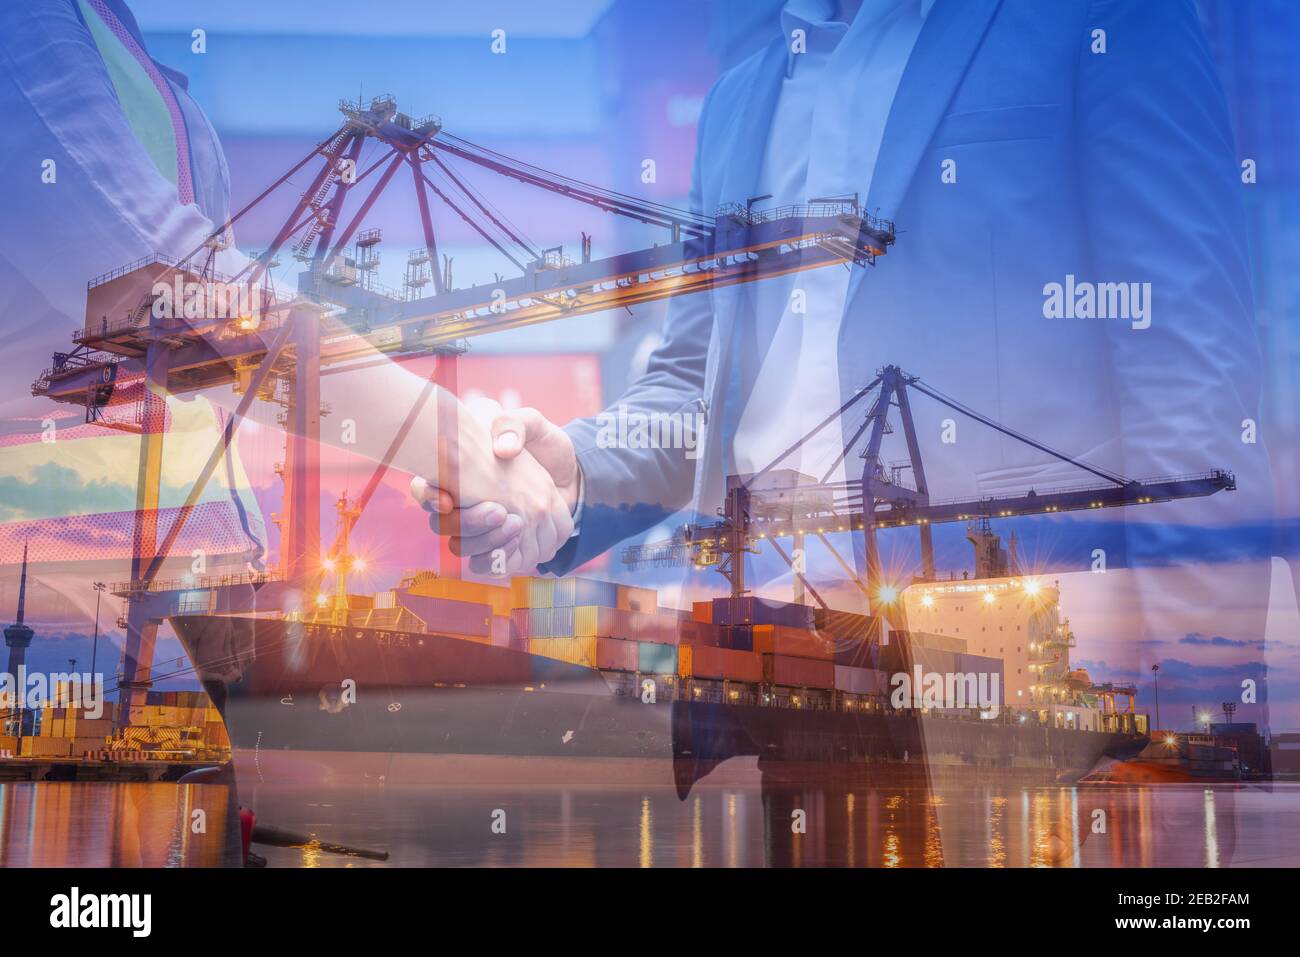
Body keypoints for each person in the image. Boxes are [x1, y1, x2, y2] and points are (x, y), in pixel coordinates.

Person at [430, 0, 1275, 850]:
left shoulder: (1108, 17)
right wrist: (572, 466)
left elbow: (1188, 368)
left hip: (1031, 715)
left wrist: (1197, 733)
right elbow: (698, 386)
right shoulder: (738, 99)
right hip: (782, 703)